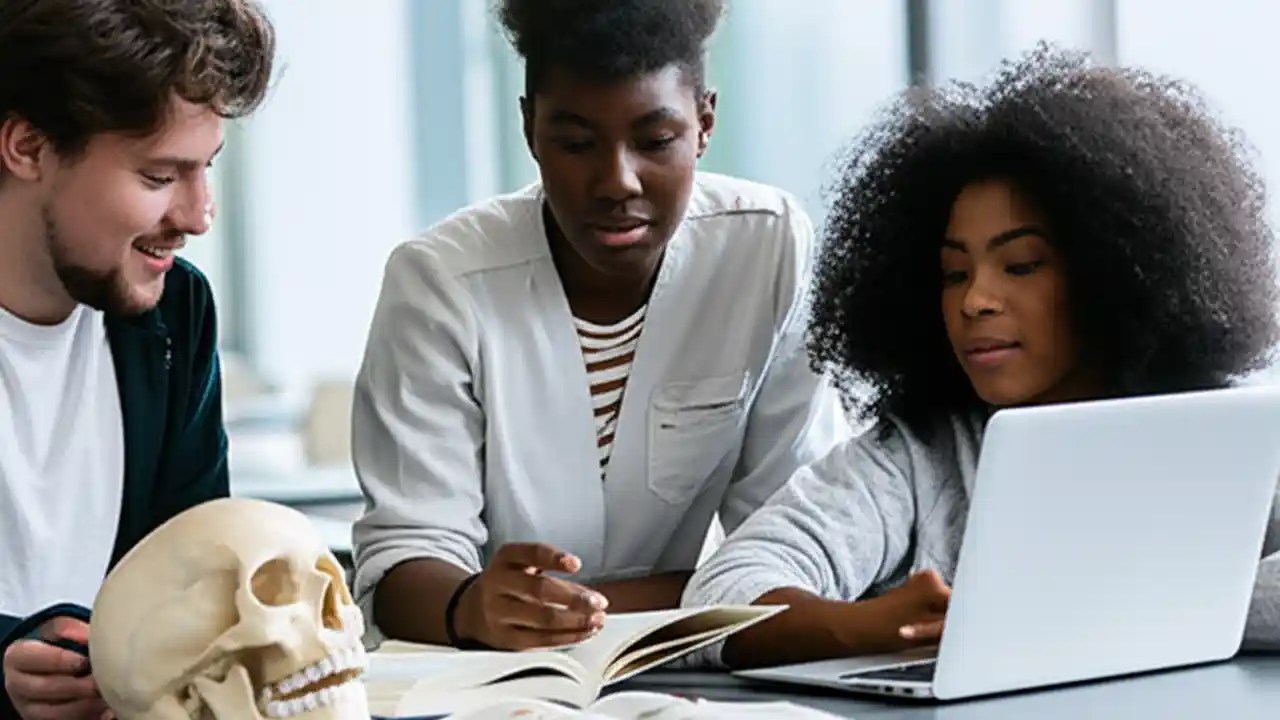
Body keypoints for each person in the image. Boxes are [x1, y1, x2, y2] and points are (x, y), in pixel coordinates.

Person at [681, 44, 1280, 669]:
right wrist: (863, 627)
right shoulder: (914, 459)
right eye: (953, 274)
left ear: (1112, 272)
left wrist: (1074, 613)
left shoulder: (1227, 435)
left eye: (1020, 266)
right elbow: (719, 596)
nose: (975, 301)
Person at [351, 0, 851, 653]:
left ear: (704, 123)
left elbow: (798, 543)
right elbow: (401, 567)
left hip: (694, 674)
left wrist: (582, 608)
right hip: (494, 677)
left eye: (655, 141)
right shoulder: (440, 283)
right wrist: (471, 606)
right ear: (529, 128)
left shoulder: (769, 248)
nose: (617, 182)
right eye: (576, 143)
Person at [0, 1, 275, 717]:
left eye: (206, 169)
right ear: (28, 147)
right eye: (159, 177)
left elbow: (199, 575)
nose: (198, 215)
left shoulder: (176, 312)